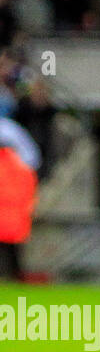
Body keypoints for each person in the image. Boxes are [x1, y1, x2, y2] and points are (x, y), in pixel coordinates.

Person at [0, 115, 40, 281]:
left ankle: (11, 276)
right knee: (13, 252)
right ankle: (14, 276)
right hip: (14, 217)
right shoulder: (22, 168)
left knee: (10, 251)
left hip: (9, 215)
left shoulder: (16, 168)